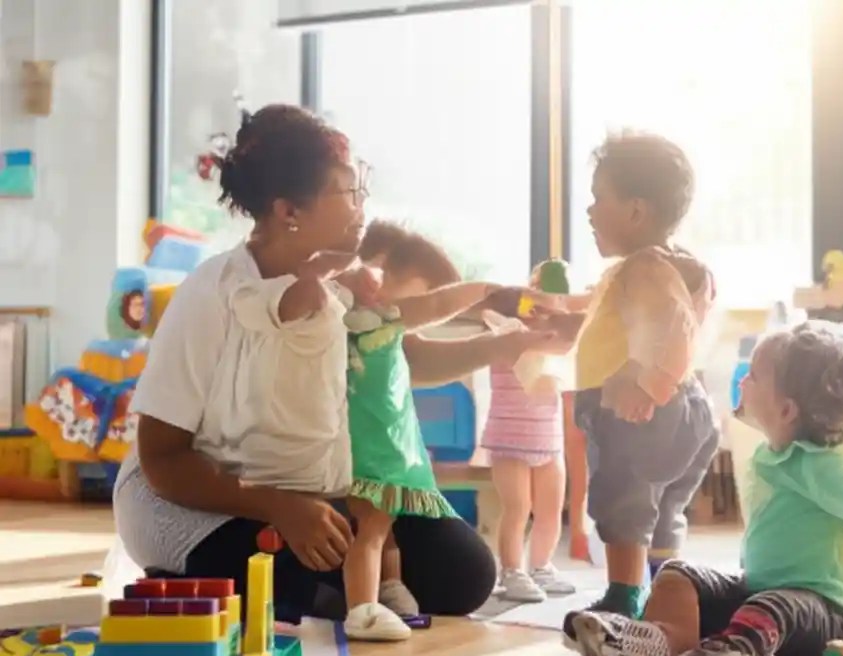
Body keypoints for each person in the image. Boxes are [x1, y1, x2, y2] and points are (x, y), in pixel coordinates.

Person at [112, 104, 557, 624]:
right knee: (283, 574)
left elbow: (401, 354)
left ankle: (312, 582)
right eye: (347, 191)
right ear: (288, 211)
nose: (361, 206)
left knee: (462, 574)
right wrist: (278, 506)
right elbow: (163, 458)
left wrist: (504, 341)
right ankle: (215, 579)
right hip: (195, 496)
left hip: (313, 490)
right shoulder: (213, 294)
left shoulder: (339, 286)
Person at [564, 321, 843, 656]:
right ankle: (658, 647)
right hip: (759, 592)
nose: (742, 381)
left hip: (819, 611)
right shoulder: (772, 453)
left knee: (770, 606)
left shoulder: (822, 466)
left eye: (754, 376)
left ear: (786, 410)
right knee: (678, 575)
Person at [340, 220, 557, 640]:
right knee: (371, 529)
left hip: (386, 459)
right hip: (346, 466)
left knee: (392, 533)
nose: (422, 315)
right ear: (377, 272)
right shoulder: (347, 315)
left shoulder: (382, 329)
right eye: (421, 296)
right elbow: (437, 307)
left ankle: (387, 586)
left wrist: (506, 340)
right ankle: (361, 604)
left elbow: (420, 350)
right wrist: (490, 292)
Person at [561, 131, 721, 623]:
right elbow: (606, 312)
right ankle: (665, 592)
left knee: (623, 502)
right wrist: (553, 313)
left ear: (635, 211)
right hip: (686, 407)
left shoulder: (643, 267)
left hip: (639, 411)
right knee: (661, 509)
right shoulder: (669, 264)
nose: (589, 211)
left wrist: (646, 383)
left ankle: (624, 596)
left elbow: (673, 326)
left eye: (598, 198)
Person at [481, 261, 577, 603]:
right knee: (517, 507)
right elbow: (490, 312)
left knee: (550, 509)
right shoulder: (508, 329)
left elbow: (565, 345)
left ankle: (541, 566)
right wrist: (529, 304)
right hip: (509, 437)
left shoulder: (559, 335)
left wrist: (560, 313)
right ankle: (511, 571)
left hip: (548, 439)